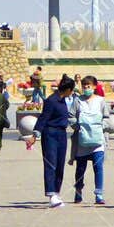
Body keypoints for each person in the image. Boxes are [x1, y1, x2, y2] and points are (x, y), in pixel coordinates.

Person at [30, 76, 74, 207]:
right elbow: (43, 118)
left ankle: (57, 191)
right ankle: (51, 193)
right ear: (67, 89)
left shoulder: (63, 100)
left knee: (60, 164)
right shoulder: (51, 100)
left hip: (61, 134)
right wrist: (35, 135)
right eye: (71, 90)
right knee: (51, 163)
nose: (72, 93)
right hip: (50, 133)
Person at [72, 77, 107, 204]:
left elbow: (106, 117)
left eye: (89, 86)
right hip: (82, 141)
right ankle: (78, 190)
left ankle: (99, 194)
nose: (86, 88)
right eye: (84, 86)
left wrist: (100, 126)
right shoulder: (77, 101)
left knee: (98, 167)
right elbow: (71, 116)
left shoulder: (101, 101)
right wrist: (77, 126)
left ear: (94, 86)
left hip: (97, 141)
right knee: (80, 168)